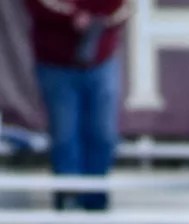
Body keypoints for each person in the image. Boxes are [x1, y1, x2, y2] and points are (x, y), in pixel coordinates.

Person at [26, 0, 127, 211]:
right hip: (56, 62)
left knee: (103, 133)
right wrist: (73, 17)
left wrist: (97, 19)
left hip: (101, 59)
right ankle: (68, 192)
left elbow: (124, 7)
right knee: (65, 133)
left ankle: (95, 194)